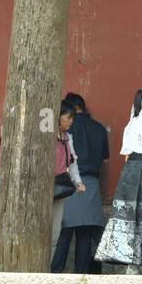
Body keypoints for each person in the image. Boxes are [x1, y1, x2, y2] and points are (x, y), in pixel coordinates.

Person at [96, 86, 142, 275]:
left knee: (132, 217)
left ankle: (133, 265)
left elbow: (127, 156)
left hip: (129, 173)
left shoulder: (130, 124)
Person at [52, 92, 109, 274]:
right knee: (85, 235)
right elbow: (105, 160)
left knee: (63, 234)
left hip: (67, 185)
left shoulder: (66, 129)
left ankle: (55, 272)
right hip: (91, 186)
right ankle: (81, 276)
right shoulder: (99, 128)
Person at [51, 102, 86, 255]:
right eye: (68, 117)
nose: (71, 121)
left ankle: (48, 264)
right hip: (43, 188)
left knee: (55, 232)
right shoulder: (47, 136)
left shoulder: (68, 138)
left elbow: (72, 163)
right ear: (58, 117)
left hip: (59, 187)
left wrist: (78, 182)